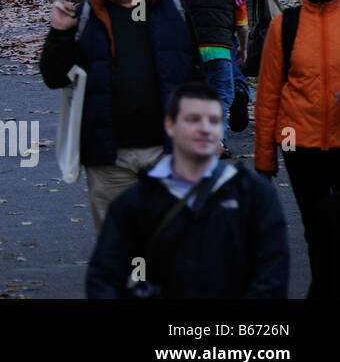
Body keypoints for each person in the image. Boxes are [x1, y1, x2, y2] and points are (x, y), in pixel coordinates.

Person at [40, 0, 202, 230]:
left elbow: (195, 78)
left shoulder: (174, 10)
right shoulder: (87, 14)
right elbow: (54, 77)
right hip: (108, 159)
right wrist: (59, 33)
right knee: (118, 254)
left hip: (167, 154)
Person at [86, 83, 288, 299]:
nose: (205, 128)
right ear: (170, 126)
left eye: (213, 121)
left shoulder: (255, 196)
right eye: (193, 119)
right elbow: (104, 277)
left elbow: (271, 276)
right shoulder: (135, 203)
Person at [254, 0, 340, 298]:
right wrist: (264, 159)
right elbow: (269, 93)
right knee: (319, 230)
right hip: (299, 144)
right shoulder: (283, 27)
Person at [168, 0, 248, 153]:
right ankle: (216, 141)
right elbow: (242, 24)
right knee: (222, 96)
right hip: (221, 51)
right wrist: (243, 48)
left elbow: (171, 19)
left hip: (192, 54)